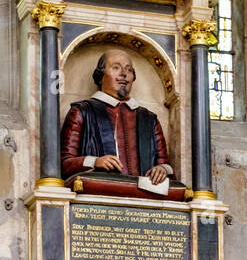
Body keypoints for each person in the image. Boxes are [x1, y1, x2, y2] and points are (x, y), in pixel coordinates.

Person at [61, 47, 173, 185]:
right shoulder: (82, 111)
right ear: (100, 76)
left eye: (129, 69)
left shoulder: (149, 119)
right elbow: (64, 163)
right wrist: (95, 162)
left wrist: (161, 169)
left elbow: (165, 164)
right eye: (116, 68)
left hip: (143, 196)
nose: (124, 74)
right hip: (98, 195)